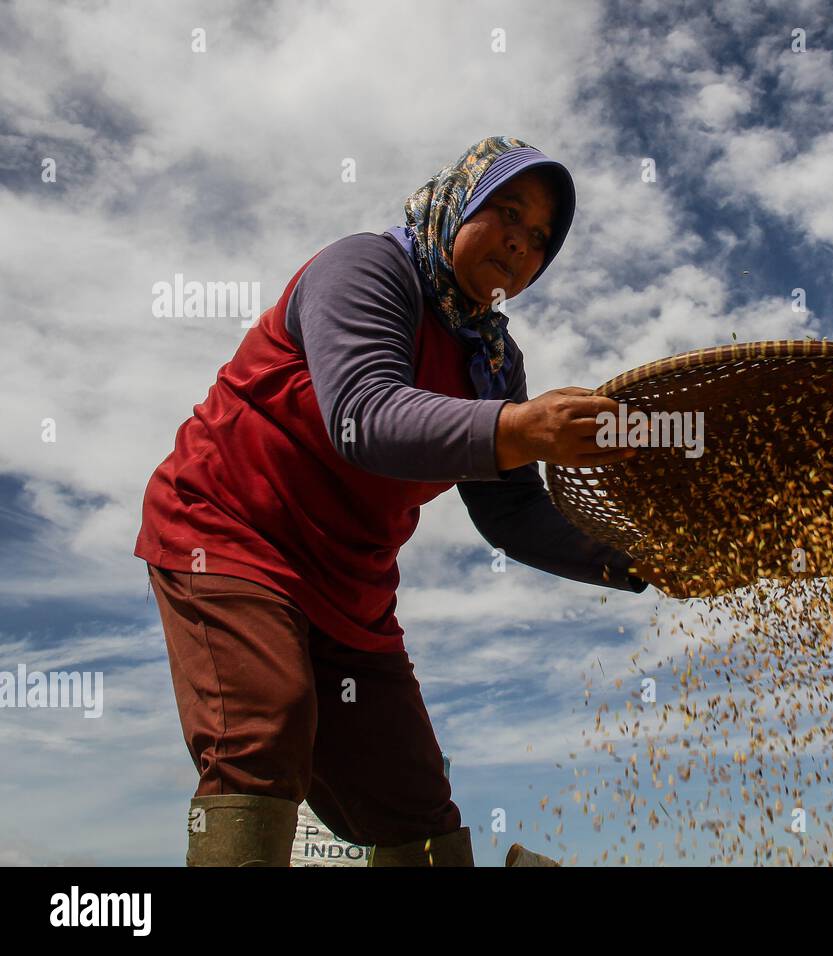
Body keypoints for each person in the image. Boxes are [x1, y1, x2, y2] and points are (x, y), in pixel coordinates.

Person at [134, 135, 661, 867]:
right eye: (505, 211)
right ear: (457, 203)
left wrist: (638, 560)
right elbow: (364, 415)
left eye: (540, 237)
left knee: (413, 804)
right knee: (264, 730)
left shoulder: (495, 364)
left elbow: (510, 514)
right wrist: (519, 428)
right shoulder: (368, 269)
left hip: (350, 590)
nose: (520, 242)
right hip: (228, 531)